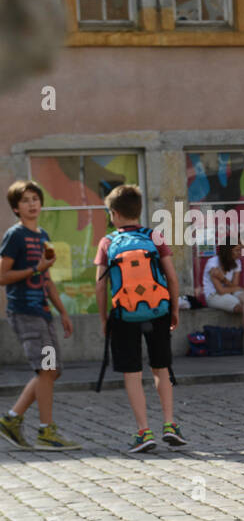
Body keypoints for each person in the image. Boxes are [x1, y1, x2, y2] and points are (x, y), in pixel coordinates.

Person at [93, 184, 185, 453]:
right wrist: (175, 308)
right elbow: (171, 276)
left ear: (113, 213)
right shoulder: (155, 236)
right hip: (158, 310)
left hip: (123, 313)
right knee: (161, 367)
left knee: (132, 373)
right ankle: (169, 423)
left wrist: (103, 318)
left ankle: (144, 431)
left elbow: (99, 285)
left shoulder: (108, 242)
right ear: (138, 210)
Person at [0, 180, 79, 450]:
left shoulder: (42, 235)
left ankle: (12, 419)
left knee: (51, 370)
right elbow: (3, 276)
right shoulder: (16, 235)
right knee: (47, 368)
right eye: (25, 200)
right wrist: (35, 268)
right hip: (24, 312)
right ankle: (46, 431)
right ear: (16, 208)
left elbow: (46, 277)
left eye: (35, 198)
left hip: (42, 313)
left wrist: (63, 311)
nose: (32, 204)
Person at [202, 244, 244, 347]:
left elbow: (234, 285)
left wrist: (223, 279)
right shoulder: (213, 263)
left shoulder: (237, 262)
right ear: (227, 251)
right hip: (214, 295)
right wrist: (233, 286)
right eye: (236, 250)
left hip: (230, 291)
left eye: (240, 250)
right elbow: (221, 290)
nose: (239, 253)